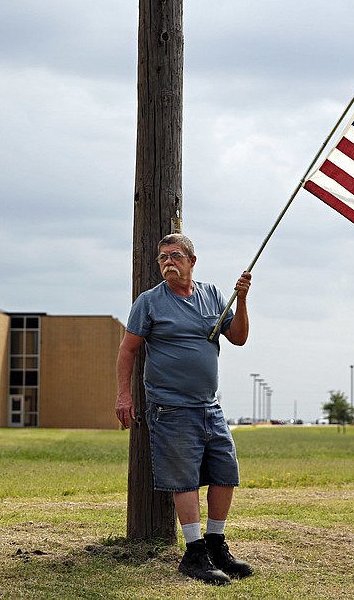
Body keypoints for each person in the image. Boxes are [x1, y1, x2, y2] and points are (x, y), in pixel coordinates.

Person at [115, 233, 253, 586]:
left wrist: (242, 299)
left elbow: (237, 337)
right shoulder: (149, 302)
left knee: (225, 473)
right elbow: (128, 350)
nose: (167, 263)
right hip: (171, 408)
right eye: (162, 258)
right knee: (185, 480)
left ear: (192, 261)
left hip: (210, 406)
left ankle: (216, 545)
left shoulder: (212, 296)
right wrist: (124, 396)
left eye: (175, 256)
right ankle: (193, 554)